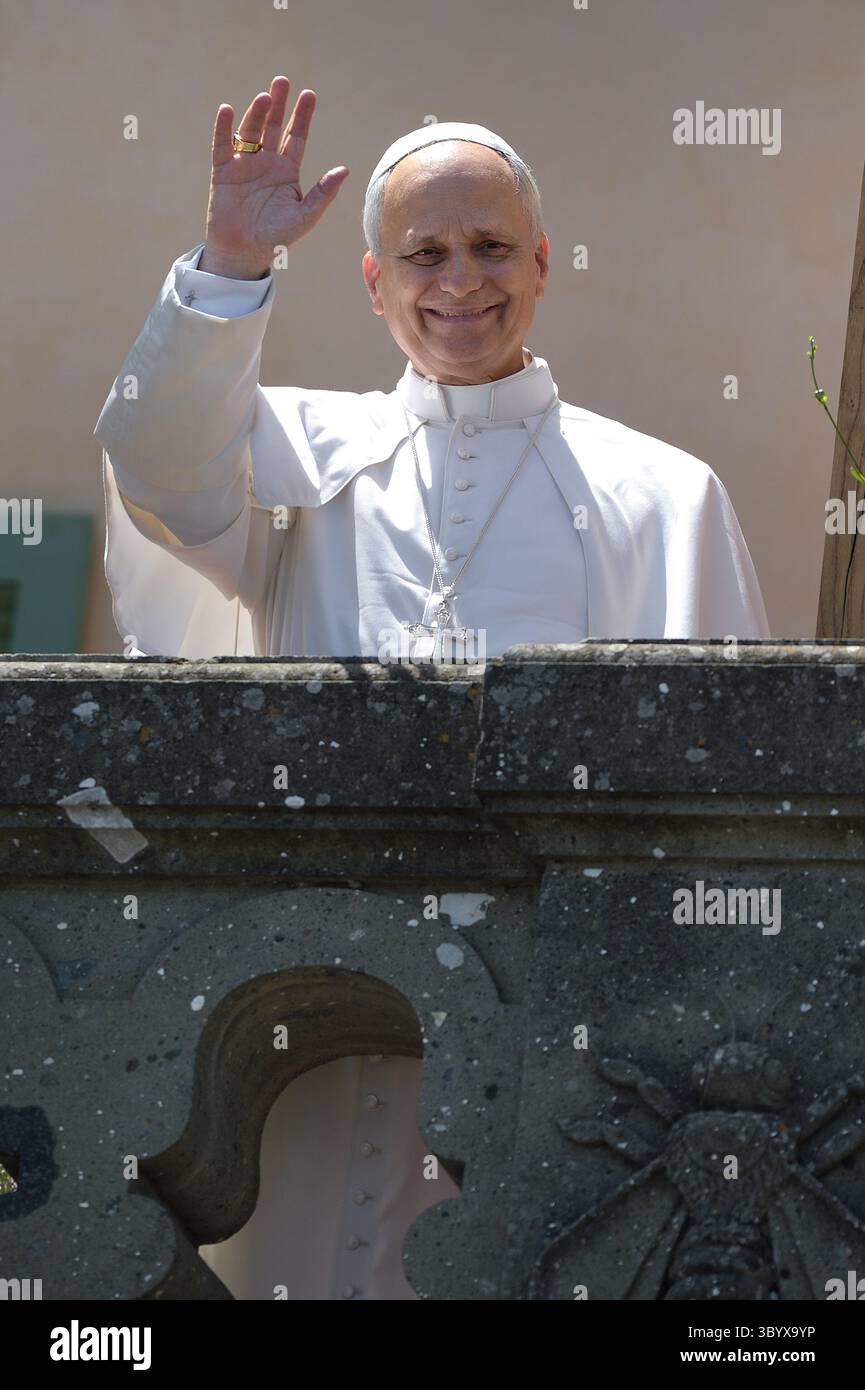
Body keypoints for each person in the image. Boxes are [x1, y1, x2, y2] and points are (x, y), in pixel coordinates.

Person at [93, 75, 771, 1300]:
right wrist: (232, 261)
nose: (460, 279)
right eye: (424, 252)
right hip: (304, 1024)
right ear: (372, 281)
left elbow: (720, 801)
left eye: (491, 246)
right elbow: (157, 459)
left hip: (552, 1034)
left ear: (545, 262)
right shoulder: (291, 452)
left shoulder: (664, 491)